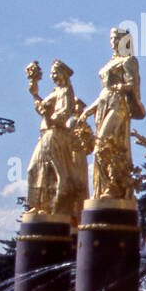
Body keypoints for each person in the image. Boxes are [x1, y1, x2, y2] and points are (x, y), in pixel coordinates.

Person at [80, 28, 145, 201]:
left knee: (104, 145)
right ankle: (102, 190)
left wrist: (121, 87)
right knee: (102, 148)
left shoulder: (129, 60)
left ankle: (113, 187)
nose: (113, 41)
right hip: (103, 105)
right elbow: (103, 92)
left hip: (118, 106)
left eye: (117, 38)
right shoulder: (111, 62)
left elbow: (132, 83)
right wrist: (87, 111)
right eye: (111, 38)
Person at [24, 59, 87, 224]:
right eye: (51, 73)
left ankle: (59, 207)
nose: (52, 76)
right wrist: (35, 94)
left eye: (55, 72)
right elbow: (43, 109)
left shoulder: (66, 92)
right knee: (37, 170)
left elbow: (63, 114)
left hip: (55, 135)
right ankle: (40, 206)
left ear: (63, 74)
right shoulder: (55, 91)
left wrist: (48, 117)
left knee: (54, 172)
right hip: (46, 134)